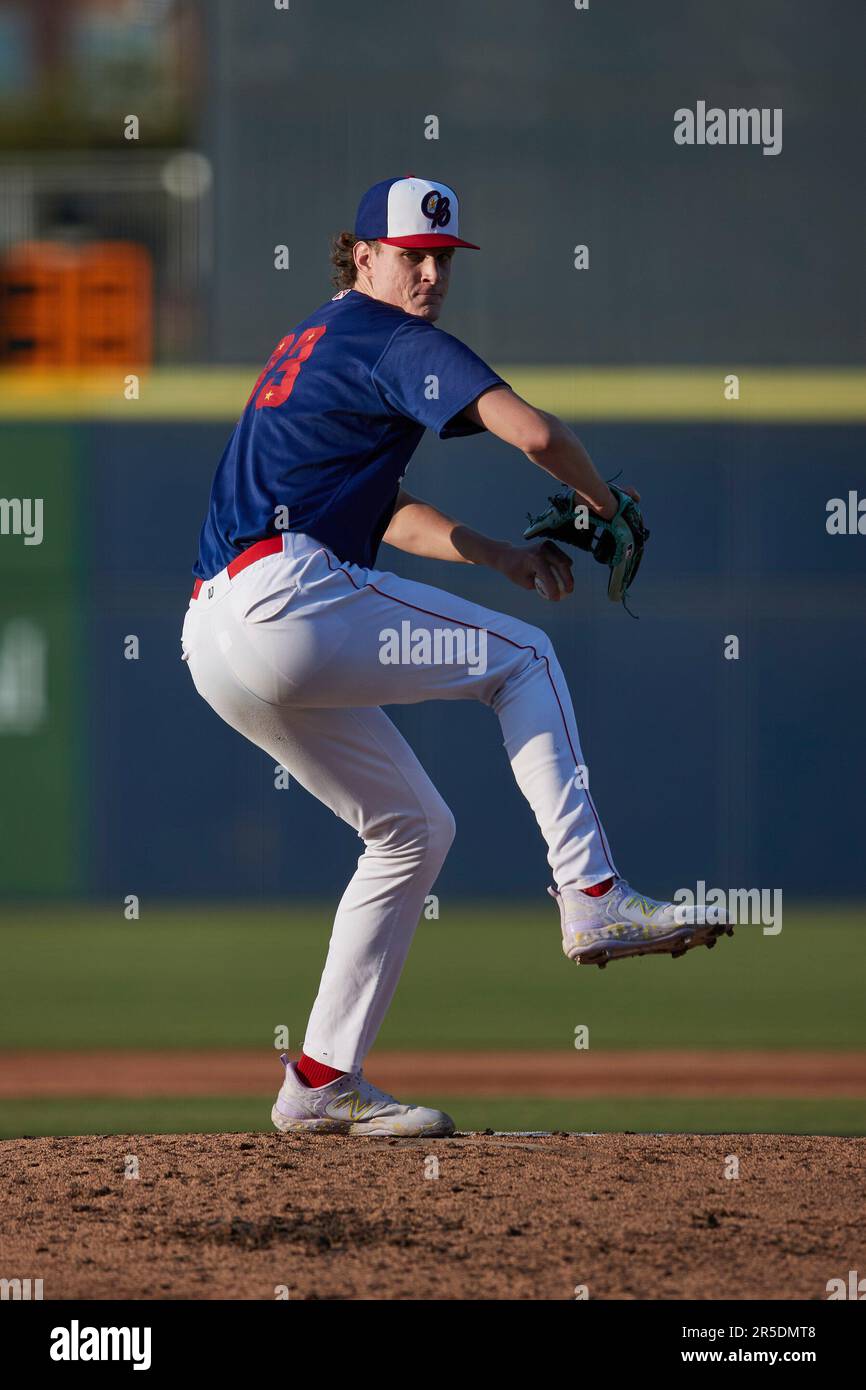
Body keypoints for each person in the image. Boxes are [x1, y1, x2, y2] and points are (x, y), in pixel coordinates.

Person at [181, 176, 728, 1139]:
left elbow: (380, 512)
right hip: (285, 604)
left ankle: (318, 1080)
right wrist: (604, 501)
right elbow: (538, 433)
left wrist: (498, 553)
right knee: (524, 659)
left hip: (217, 633)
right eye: (409, 254)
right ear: (363, 255)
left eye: (441, 259)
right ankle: (594, 895)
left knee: (411, 830)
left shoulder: (316, 341)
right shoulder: (398, 341)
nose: (428, 273)